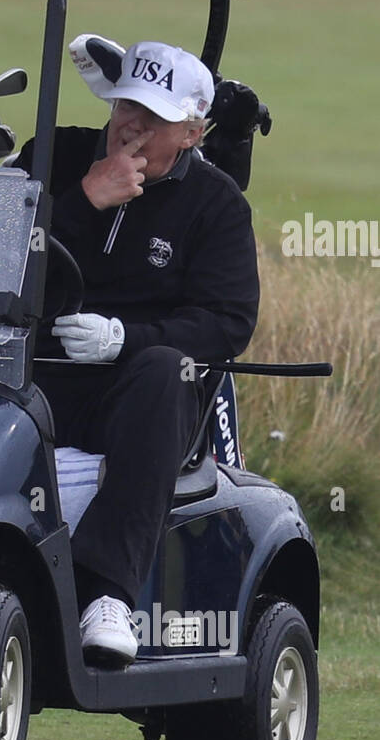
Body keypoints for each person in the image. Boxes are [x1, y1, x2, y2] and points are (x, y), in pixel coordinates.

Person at [14, 39, 261, 664]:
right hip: (30, 374)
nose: (132, 126)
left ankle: (109, 596)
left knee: (164, 369)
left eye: (154, 119)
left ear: (193, 133)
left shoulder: (218, 206)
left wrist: (126, 339)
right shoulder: (53, 155)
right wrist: (81, 203)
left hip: (133, 396)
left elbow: (225, 323)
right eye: (128, 106)